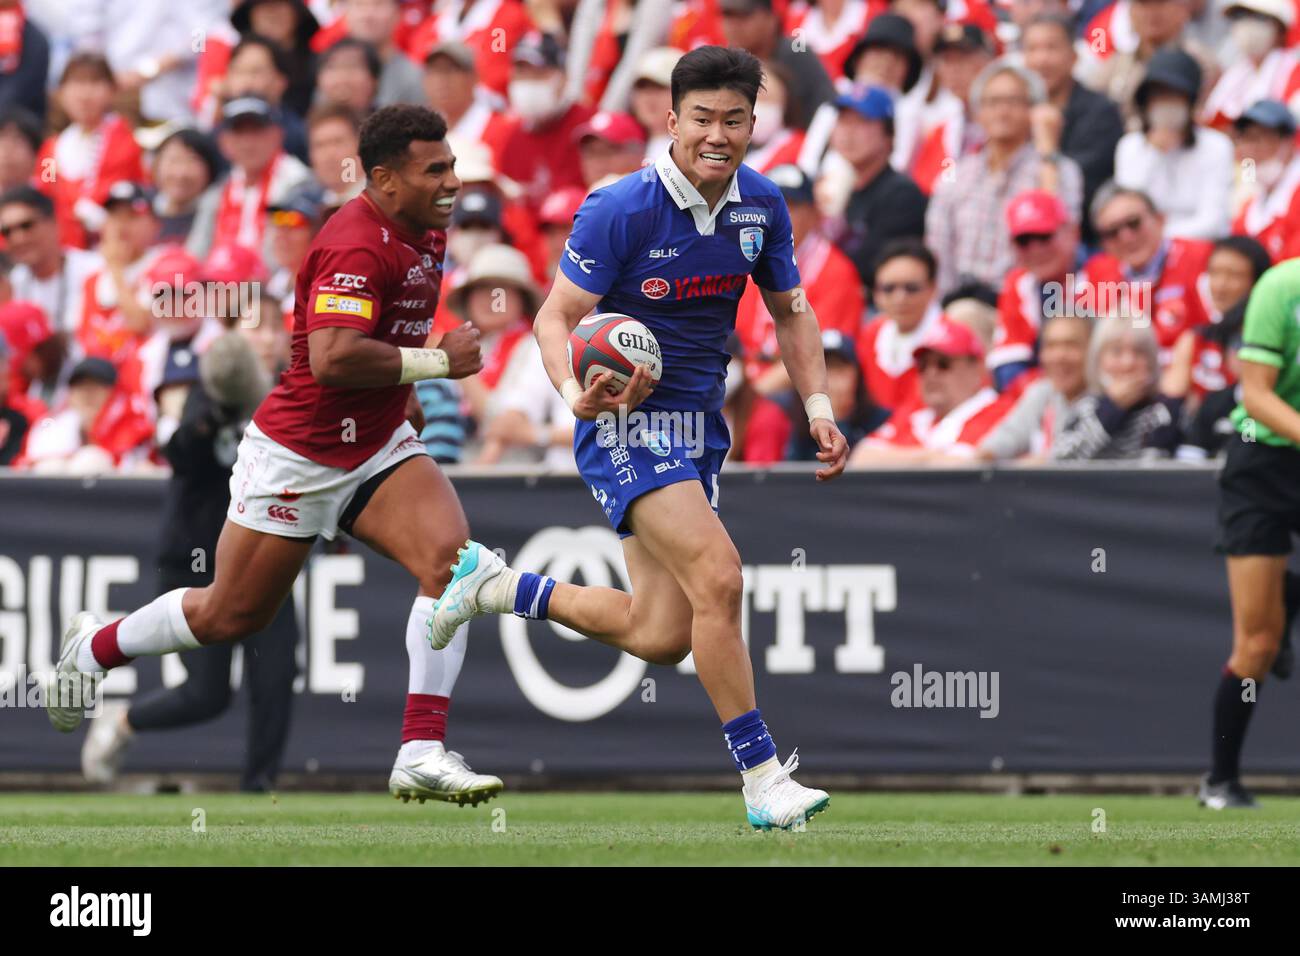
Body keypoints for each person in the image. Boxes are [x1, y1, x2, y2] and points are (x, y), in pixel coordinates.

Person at [422, 47, 848, 830]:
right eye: (702, 119)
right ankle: (762, 779)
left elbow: (791, 311)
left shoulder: (762, 205)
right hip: (622, 420)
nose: (717, 135)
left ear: (754, 123)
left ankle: (497, 586)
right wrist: (570, 396)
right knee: (721, 580)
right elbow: (553, 317)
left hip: (698, 429)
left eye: (733, 119)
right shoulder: (620, 207)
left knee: (660, 634)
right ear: (672, 119)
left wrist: (817, 404)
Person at [47, 104, 504, 809]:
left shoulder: (426, 226)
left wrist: (403, 390)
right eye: (434, 169)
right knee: (229, 616)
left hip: (374, 443)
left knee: (453, 565)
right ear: (383, 180)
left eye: (450, 164)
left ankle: (421, 750)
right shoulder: (357, 241)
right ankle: (94, 650)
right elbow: (331, 358)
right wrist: (436, 361)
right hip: (300, 451)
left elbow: (377, 341)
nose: (452, 180)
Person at [79, 299, 298, 792]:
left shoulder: (294, 394)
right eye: (252, 327)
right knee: (208, 692)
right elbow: (181, 454)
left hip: (266, 558)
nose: (264, 337)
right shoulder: (209, 389)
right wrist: (219, 411)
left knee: (277, 672)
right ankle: (123, 722)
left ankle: (259, 787)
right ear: (231, 341)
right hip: (198, 559)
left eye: (272, 326)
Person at [1199, 259, 1300, 808]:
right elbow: (1256, 394)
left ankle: (1290, 597)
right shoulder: (1282, 288)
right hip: (1263, 462)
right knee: (1256, 644)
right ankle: (1221, 778)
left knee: (1268, 627)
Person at [926, 58, 1083, 296]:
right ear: (978, 114)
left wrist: (1047, 148)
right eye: (992, 102)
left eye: (1014, 101)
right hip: (961, 300)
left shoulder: (1057, 169)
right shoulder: (956, 176)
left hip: (1029, 297)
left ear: (1034, 110)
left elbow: (1059, 243)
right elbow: (938, 251)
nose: (1002, 110)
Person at [1020, 13, 1124, 247]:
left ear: (1074, 56)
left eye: (1051, 48)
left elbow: (1080, 187)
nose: (1042, 59)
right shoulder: (1016, 110)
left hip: (1083, 238)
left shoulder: (1101, 111)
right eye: (1032, 49)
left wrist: (1047, 143)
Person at [849, 318, 1011, 464]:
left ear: (977, 369)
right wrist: (929, 457)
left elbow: (962, 467)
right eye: (923, 366)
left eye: (943, 364)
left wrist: (899, 459)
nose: (931, 374)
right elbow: (862, 457)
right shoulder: (917, 414)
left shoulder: (999, 412)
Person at [1113, 46, 1233, 241]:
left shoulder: (1217, 146)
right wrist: (1154, 153)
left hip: (1199, 249)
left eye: (1174, 96)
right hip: (1143, 250)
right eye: (1158, 96)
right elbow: (1127, 212)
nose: (1165, 104)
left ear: (1190, 101)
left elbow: (1215, 222)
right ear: (1145, 102)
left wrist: (1160, 238)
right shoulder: (1130, 147)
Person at [1086, 183, 1213, 354]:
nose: (1126, 237)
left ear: (1160, 219)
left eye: (1133, 223)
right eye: (1112, 232)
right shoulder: (1097, 274)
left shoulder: (1202, 258)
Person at [35, 52, 145, 250]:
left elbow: (127, 192)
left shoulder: (124, 140)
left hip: (111, 246)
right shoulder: (51, 149)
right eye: (76, 83)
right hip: (61, 249)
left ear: (112, 91)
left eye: (94, 82)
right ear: (61, 93)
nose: (85, 93)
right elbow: (47, 192)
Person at [828, 84, 928, 289]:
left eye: (862, 122)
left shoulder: (902, 195)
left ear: (888, 135)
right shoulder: (839, 189)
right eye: (843, 121)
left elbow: (871, 268)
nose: (849, 132)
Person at [1050, 316, 1181, 459]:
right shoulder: (1085, 409)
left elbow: (1157, 471)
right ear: (1098, 360)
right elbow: (1061, 462)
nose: (1128, 363)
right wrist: (1110, 409)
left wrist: (1172, 406)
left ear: (1152, 361)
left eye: (1139, 352)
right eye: (1117, 352)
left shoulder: (1161, 412)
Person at [979, 312, 1095, 460]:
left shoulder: (1108, 400)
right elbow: (1003, 439)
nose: (1059, 356)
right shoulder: (1042, 392)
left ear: (1093, 350)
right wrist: (985, 456)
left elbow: (1070, 457)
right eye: (1051, 346)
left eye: (1071, 345)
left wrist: (1030, 466)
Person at [1, 185, 101, 339]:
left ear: (54, 223)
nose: (18, 238)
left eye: (27, 225)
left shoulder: (95, 269)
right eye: (7, 232)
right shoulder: (13, 285)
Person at [856, 237, 944, 412]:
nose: (900, 298)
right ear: (876, 294)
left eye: (911, 288)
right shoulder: (870, 335)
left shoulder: (951, 341)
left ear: (933, 288)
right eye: (889, 289)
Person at [1231, 99, 1300, 261]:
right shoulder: (1249, 201)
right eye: (1245, 139)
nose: (1250, 149)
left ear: (1288, 142)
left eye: (1258, 138)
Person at [151, 129, 222, 245]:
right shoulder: (141, 208)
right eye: (174, 160)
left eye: (191, 161)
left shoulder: (217, 215)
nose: (181, 173)